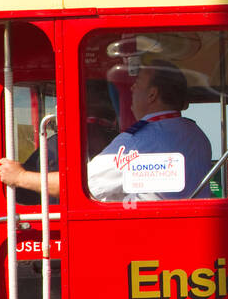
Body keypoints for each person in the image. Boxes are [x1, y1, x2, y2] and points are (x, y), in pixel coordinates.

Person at [85, 60, 212, 201]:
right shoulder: (197, 135)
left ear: (152, 94)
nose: (132, 89)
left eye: (137, 83)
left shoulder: (139, 140)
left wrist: (54, 179)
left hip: (148, 222)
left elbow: (83, 183)